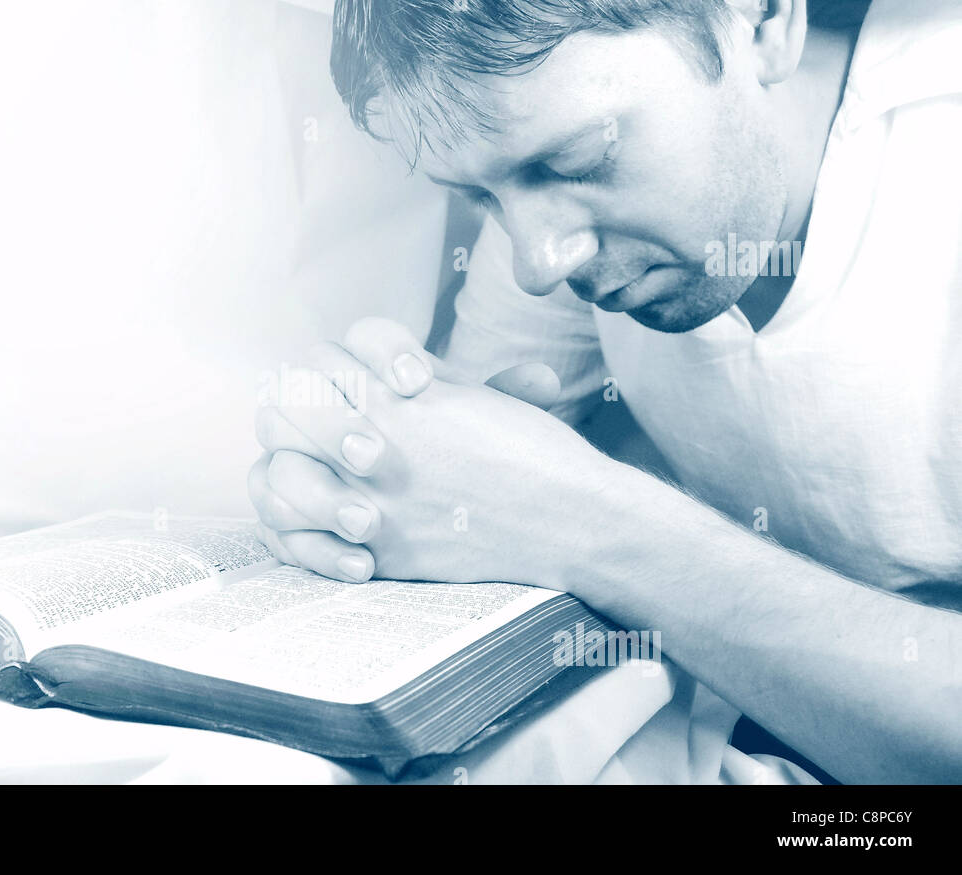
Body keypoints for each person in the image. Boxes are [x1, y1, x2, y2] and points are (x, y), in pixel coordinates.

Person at [247, 0, 962, 783]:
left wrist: (585, 519)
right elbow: (455, 490)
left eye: (581, 161)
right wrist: (355, 479)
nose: (538, 262)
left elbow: (544, 507)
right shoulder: (554, 204)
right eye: (481, 197)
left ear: (763, 22)